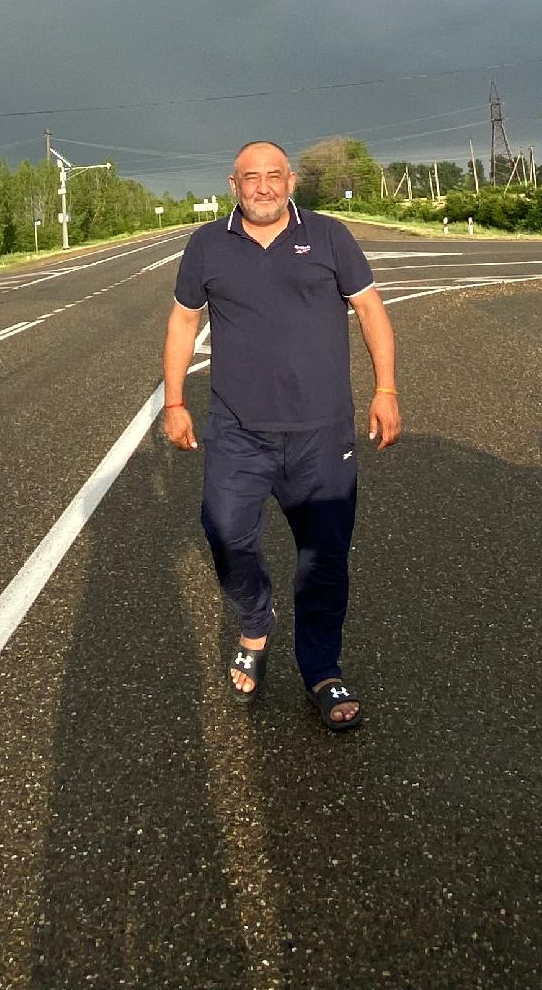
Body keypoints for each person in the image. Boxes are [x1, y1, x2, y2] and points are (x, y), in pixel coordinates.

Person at [160, 140, 400, 731]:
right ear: (233, 183)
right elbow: (183, 320)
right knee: (223, 531)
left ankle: (321, 667)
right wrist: (173, 401)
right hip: (238, 432)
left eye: (273, 176)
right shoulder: (208, 244)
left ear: (290, 181)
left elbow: (370, 308)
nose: (262, 186)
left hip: (322, 432)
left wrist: (386, 389)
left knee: (324, 559)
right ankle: (255, 621)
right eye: (250, 177)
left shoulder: (329, 236)